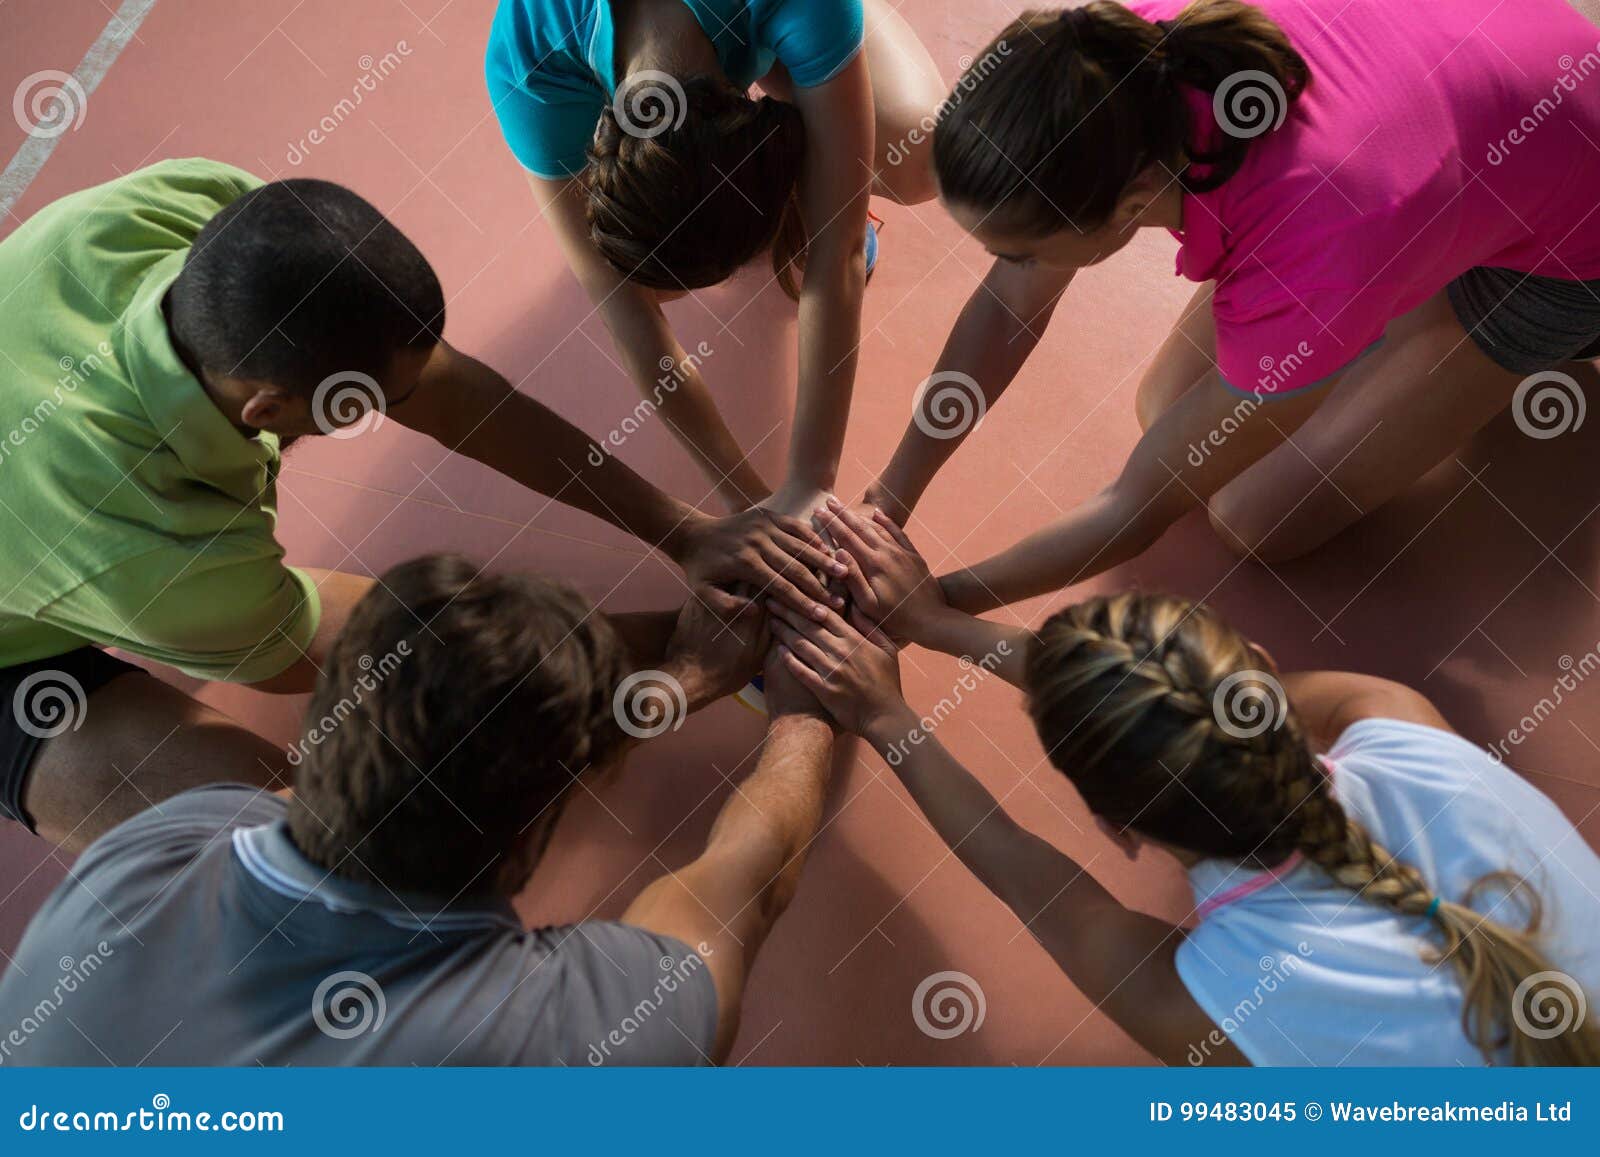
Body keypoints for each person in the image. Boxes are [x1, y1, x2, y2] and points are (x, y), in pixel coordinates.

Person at [0, 158, 847, 842]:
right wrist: (683, 662)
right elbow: (407, 655)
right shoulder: (146, 549)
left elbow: (449, 395)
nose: (392, 406)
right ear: (266, 408)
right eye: (362, 404)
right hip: (26, 651)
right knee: (286, 853)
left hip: (66, 528)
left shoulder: (188, 208)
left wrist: (687, 533)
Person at [766, 502, 1600, 1065]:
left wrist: (883, 713)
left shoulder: (1221, 1001)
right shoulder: (1391, 721)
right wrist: (935, 626)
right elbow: (1187, 706)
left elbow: (1019, 867)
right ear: (1263, 673)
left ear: (1117, 832)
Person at [859, 0, 1600, 613]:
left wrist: (939, 604)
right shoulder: (1114, 61)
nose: (1011, 271)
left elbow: (1135, 505)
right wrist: (883, 505)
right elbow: (1009, 307)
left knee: (1253, 515)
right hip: (1478, 86)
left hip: (1563, 251)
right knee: (1166, 405)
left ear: (1134, 203)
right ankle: (1404, 276)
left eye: (1024, 251)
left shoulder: (1312, 240)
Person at [0, 554, 840, 1065]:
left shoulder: (159, 844)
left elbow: (413, 768)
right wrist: (814, 700)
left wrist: (682, 680)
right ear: (527, 841)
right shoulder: (568, 1036)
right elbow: (747, 881)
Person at [485, 0, 946, 514]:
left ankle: (815, 74)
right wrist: (746, 502)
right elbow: (623, 306)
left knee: (920, 157)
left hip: (786, 16)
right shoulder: (530, 61)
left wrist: (812, 480)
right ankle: (810, 111)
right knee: (649, 276)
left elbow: (840, 252)